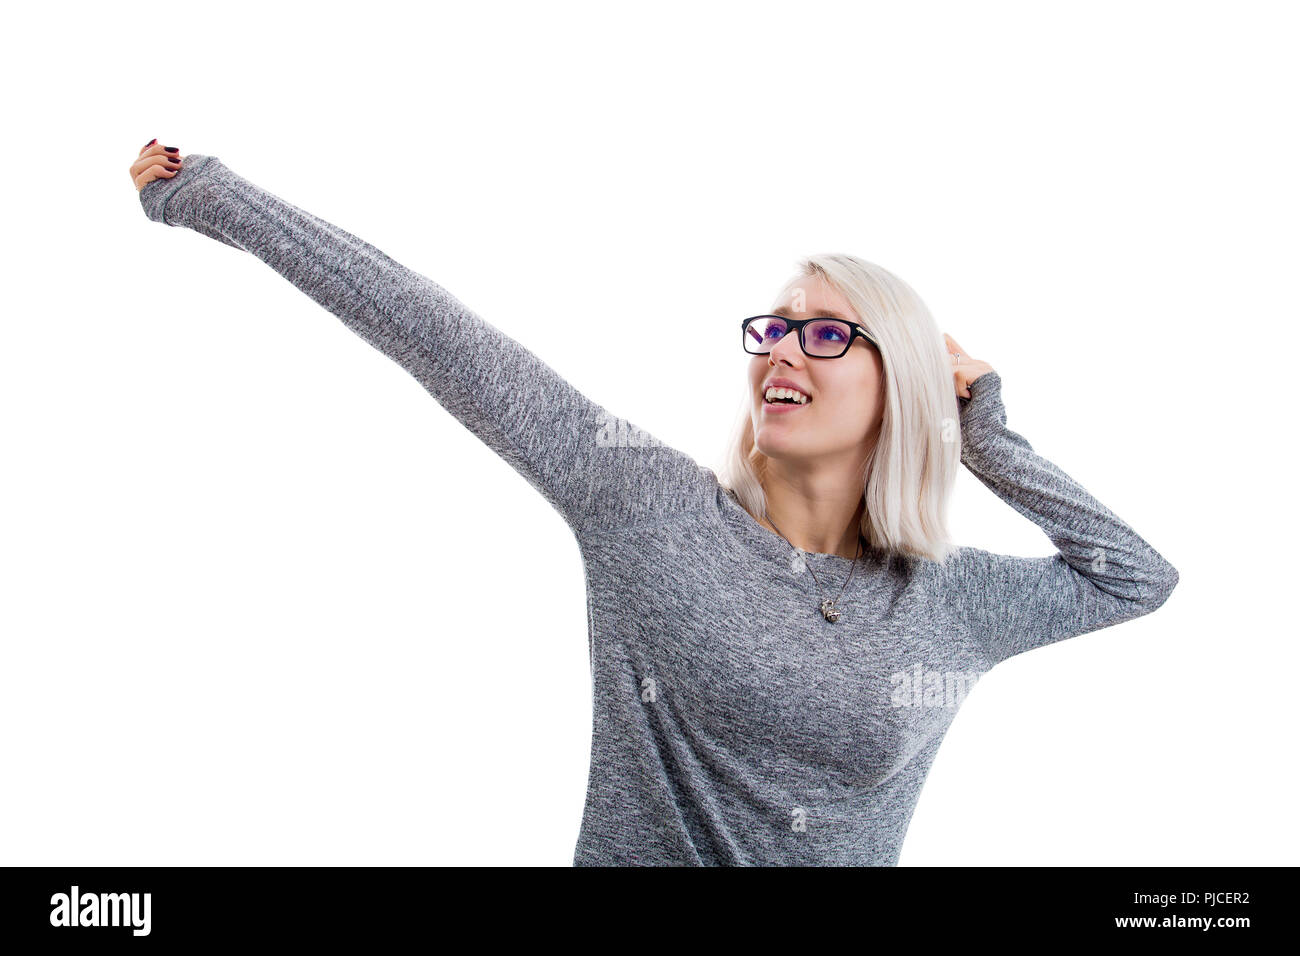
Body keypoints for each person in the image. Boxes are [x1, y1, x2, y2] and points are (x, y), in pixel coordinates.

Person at [129, 140, 1179, 866]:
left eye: (824, 332)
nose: (779, 346)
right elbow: (438, 333)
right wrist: (210, 196)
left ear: (898, 381)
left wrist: (984, 433)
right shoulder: (646, 503)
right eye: (772, 325)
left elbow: (1134, 575)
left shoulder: (952, 599)